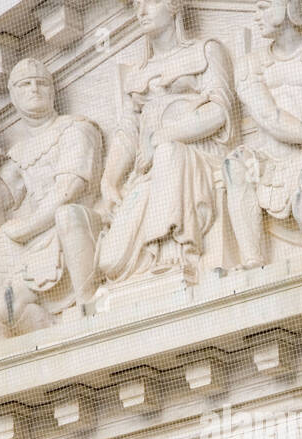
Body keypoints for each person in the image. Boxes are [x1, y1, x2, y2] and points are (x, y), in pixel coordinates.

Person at [97, 0, 237, 285]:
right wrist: (109, 180)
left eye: (150, 1)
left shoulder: (206, 50)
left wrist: (168, 135)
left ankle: (172, 252)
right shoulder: (136, 75)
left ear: (174, 5)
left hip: (198, 156)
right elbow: (127, 133)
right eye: (136, 4)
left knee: (168, 152)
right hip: (149, 170)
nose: (141, 11)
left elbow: (220, 111)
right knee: (110, 262)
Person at [0, 58, 102, 336]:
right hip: (41, 246)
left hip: (79, 228)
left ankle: (91, 309)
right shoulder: (21, 152)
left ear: (53, 91)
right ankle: (59, 344)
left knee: (67, 214)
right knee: (6, 309)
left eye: (42, 83)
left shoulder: (76, 128)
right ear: (13, 96)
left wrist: (25, 228)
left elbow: (68, 190)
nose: (35, 89)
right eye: (25, 84)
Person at [224, 0, 302, 266]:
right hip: (267, 161)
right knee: (236, 164)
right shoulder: (249, 65)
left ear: (289, 6)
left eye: (264, 7)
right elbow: (268, 116)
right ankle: (253, 262)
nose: (256, 15)